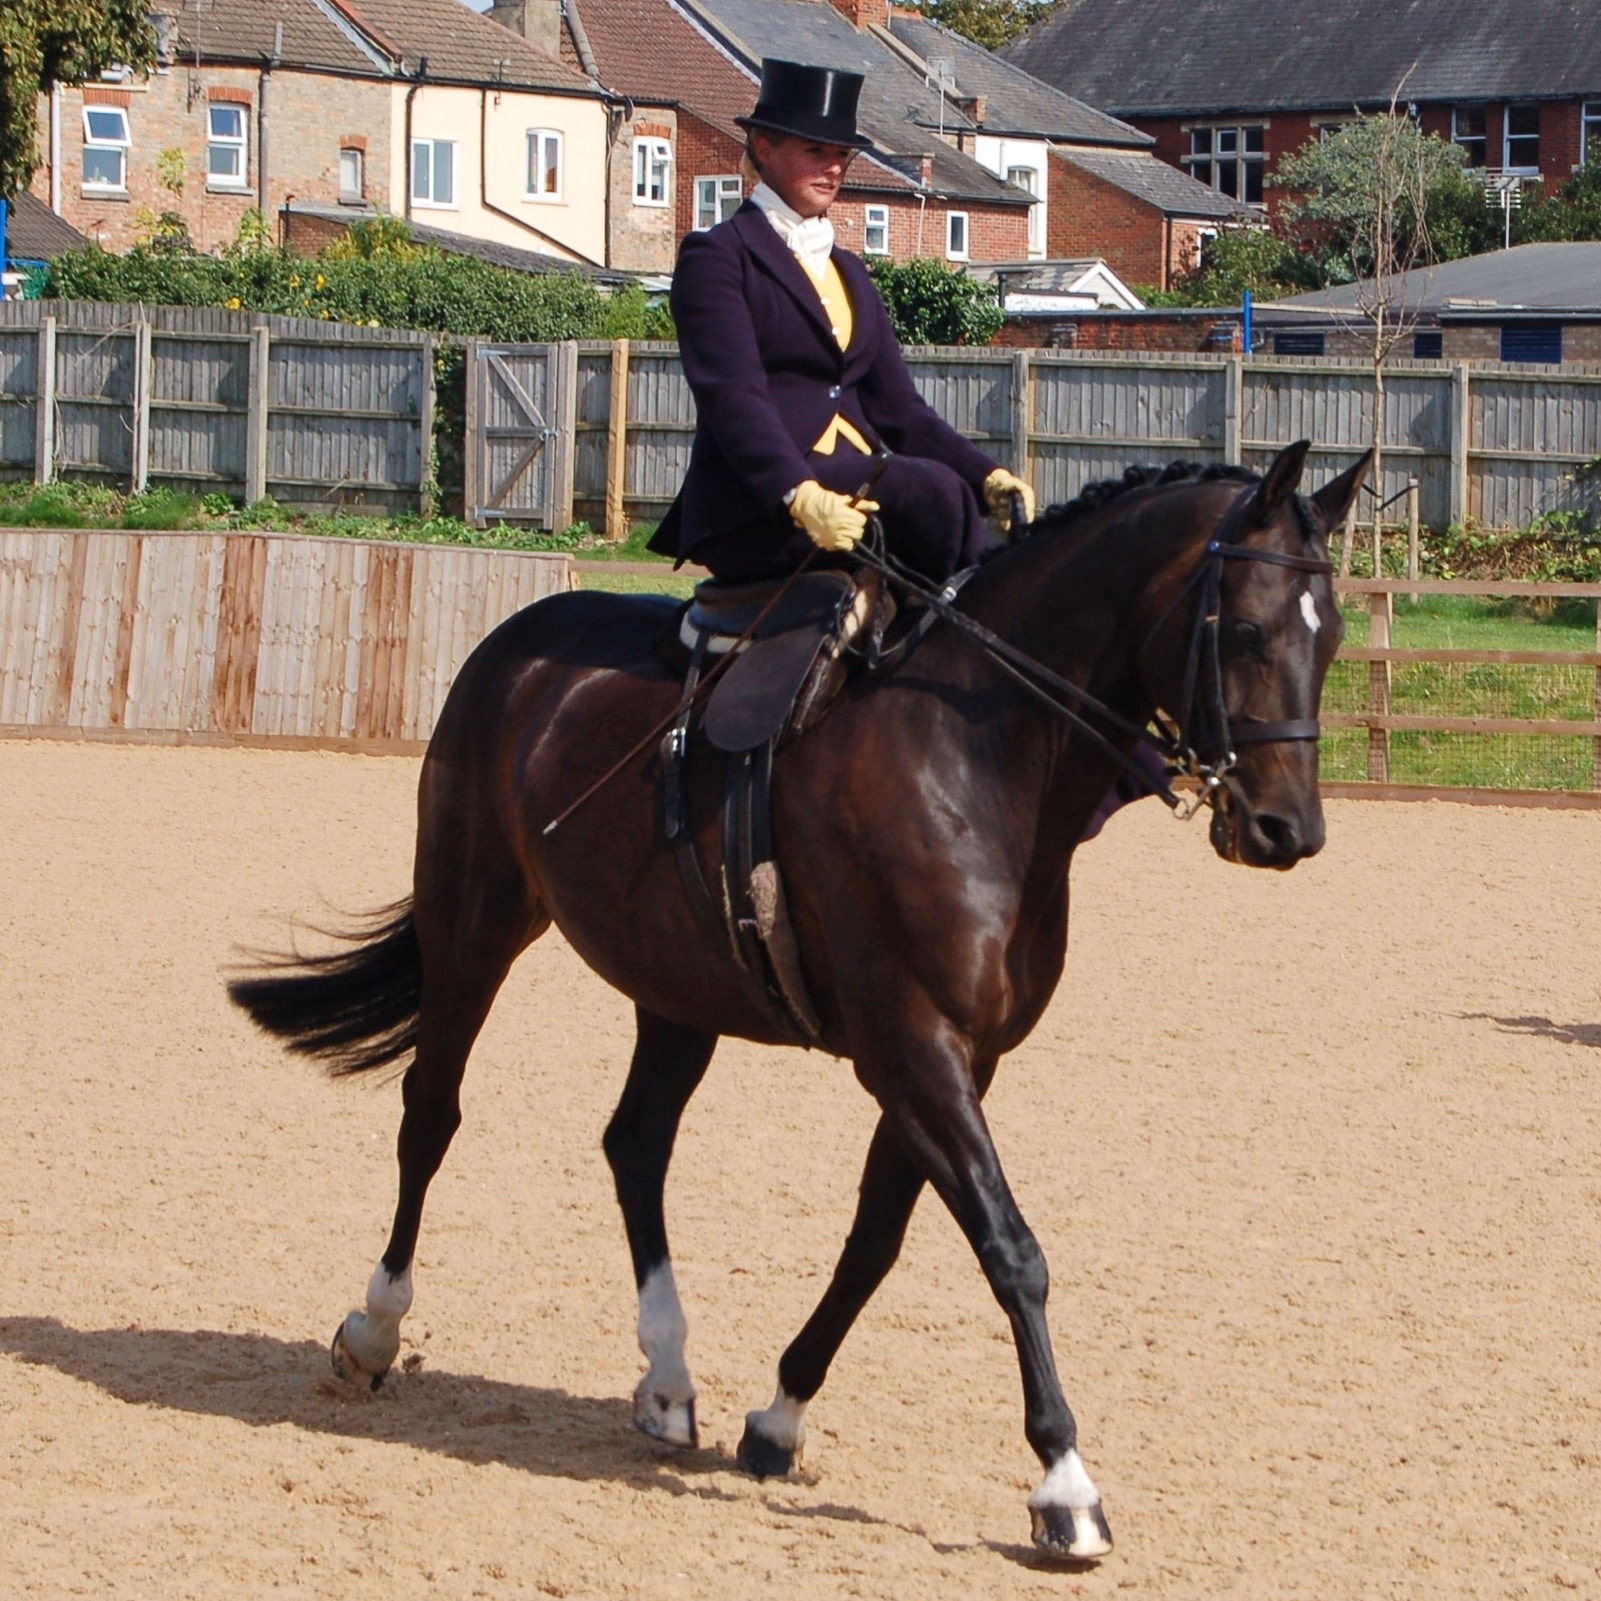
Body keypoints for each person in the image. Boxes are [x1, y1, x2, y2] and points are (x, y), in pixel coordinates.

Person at [647, 58, 1035, 584]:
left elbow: (899, 407)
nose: (833, 167)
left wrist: (987, 475)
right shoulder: (717, 258)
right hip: (757, 503)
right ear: (764, 149)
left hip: (859, 485)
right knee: (934, 494)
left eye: (841, 155)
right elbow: (733, 398)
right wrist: (799, 494)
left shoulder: (849, 269)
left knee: (957, 493)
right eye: (816, 152)